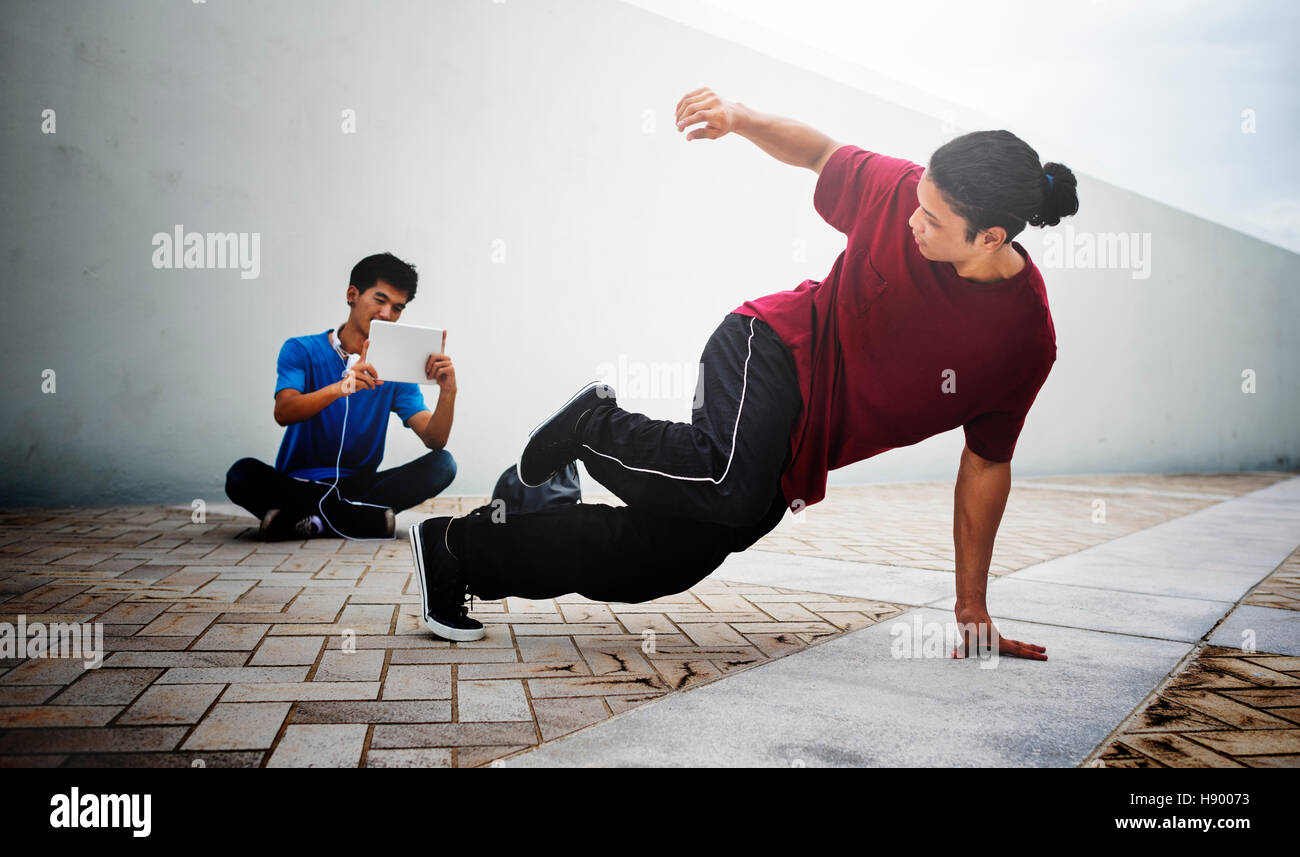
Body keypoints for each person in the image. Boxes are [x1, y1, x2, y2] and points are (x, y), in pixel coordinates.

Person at [410, 87, 1078, 660]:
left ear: (991, 237)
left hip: (797, 453)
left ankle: (459, 550)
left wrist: (970, 605)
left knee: (655, 562)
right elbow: (821, 153)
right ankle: (592, 426)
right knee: (728, 483)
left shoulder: (1021, 344)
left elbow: (987, 464)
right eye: (918, 200)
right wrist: (737, 116)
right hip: (770, 347)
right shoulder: (897, 190)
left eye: (932, 218)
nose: (912, 218)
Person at [226, 252, 459, 541]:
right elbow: (283, 412)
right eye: (380, 300)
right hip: (297, 482)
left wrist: (448, 392)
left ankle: (308, 519)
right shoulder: (301, 350)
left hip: (359, 487)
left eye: (397, 308)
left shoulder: (394, 369)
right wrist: (341, 388)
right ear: (352, 295)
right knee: (241, 473)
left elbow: (434, 439)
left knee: (444, 464)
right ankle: (355, 519)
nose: (387, 314)